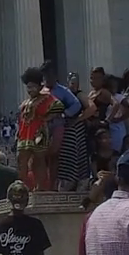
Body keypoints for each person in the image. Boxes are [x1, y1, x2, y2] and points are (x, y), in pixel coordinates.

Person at [43, 61, 92, 192]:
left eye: (50, 75)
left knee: (58, 156)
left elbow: (76, 105)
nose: (48, 78)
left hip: (59, 127)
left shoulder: (62, 91)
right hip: (43, 128)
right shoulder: (42, 91)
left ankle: (58, 184)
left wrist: (64, 114)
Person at [15, 67, 63, 190]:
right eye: (28, 87)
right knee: (22, 160)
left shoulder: (46, 98)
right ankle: (22, 184)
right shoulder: (26, 102)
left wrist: (45, 118)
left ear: (39, 86)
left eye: (32, 86)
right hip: (24, 134)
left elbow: (59, 107)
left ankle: (40, 186)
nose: (30, 90)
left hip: (39, 133)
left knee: (39, 161)